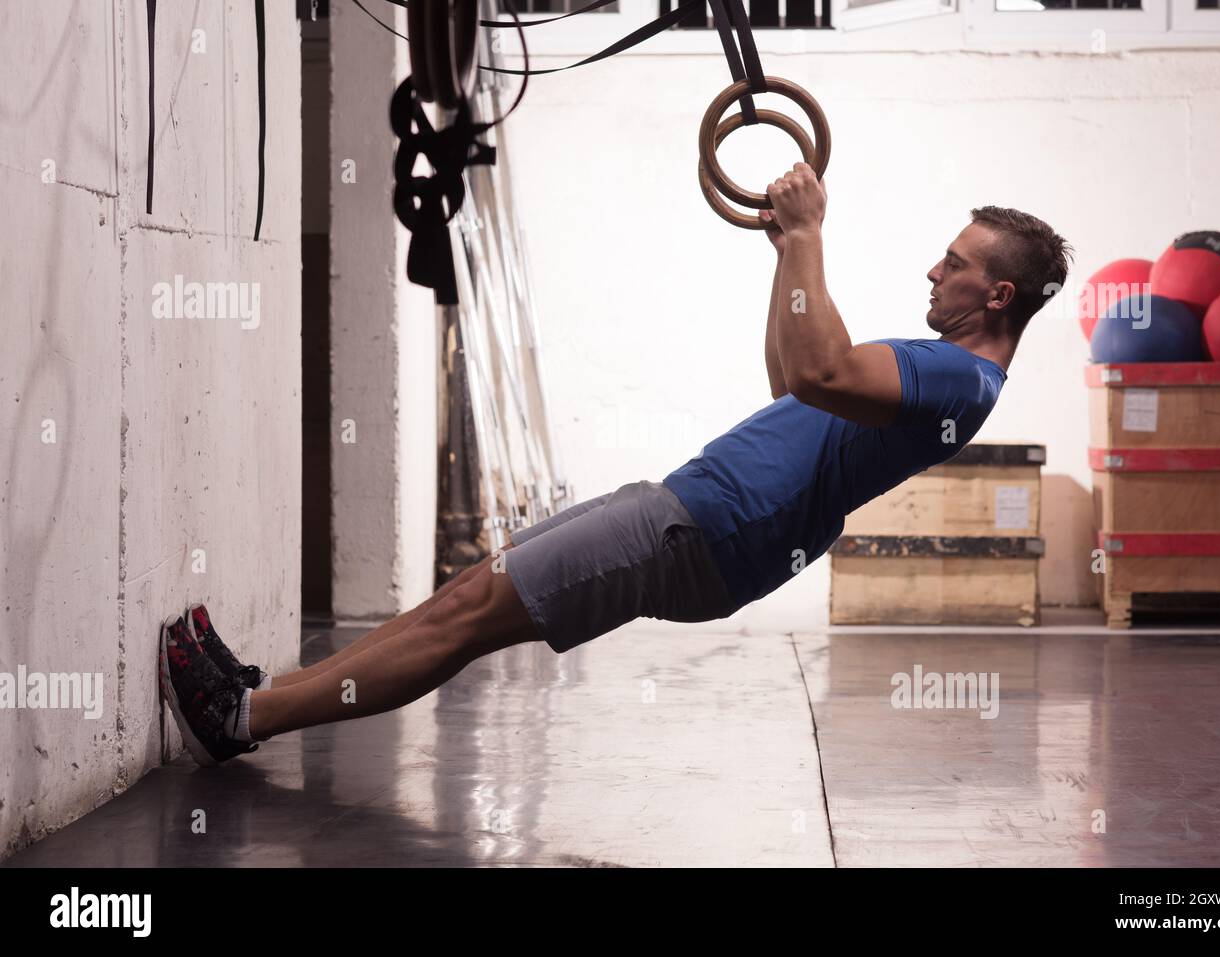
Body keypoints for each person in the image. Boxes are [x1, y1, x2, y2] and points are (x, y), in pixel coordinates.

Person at [159, 163, 1073, 766]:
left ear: (994, 292)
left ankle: (244, 721)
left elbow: (817, 365)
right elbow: (793, 382)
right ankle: (262, 696)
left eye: (951, 265)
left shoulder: (959, 373)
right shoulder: (953, 375)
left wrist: (806, 234)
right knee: (469, 599)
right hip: (698, 511)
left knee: (470, 612)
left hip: (703, 528)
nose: (930, 272)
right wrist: (783, 256)